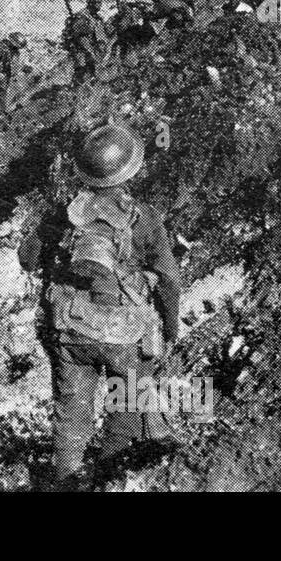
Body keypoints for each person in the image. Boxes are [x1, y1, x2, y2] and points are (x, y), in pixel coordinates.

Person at [18, 124, 181, 488]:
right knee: (125, 406)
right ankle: (107, 479)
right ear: (131, 170)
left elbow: (27, 260)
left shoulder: (65, 214)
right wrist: (170, 328)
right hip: (126, 334)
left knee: (71, 415)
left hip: (70, 328)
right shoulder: (146, 218)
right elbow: (169, 280)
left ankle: (66, 484)